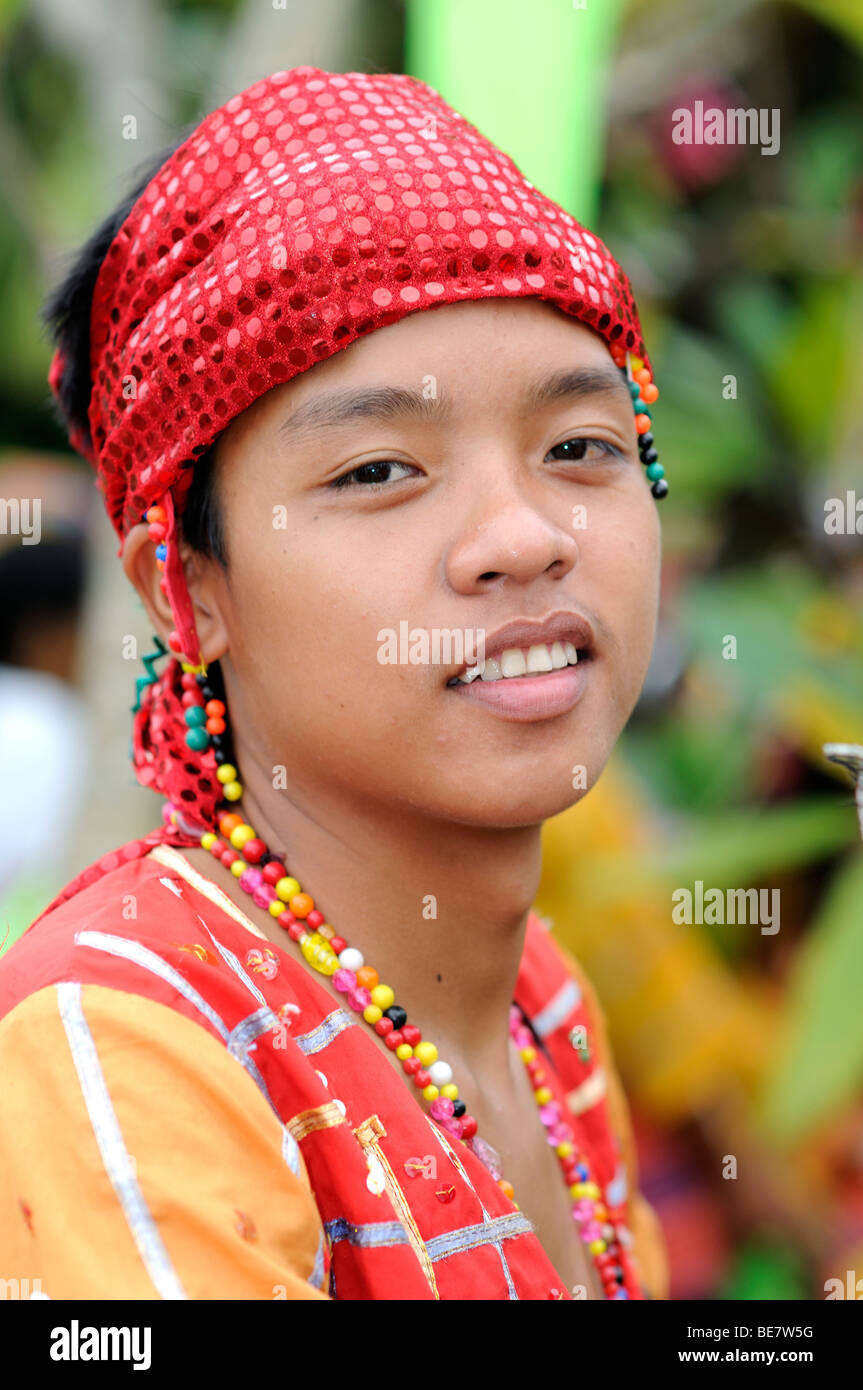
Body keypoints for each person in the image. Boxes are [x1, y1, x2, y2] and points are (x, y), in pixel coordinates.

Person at [0, 66, 669, 1301]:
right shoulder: (126, 1039)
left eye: (579, 447)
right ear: (184, 586)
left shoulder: (544, 1010)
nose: (523, 537)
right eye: (377, 470)